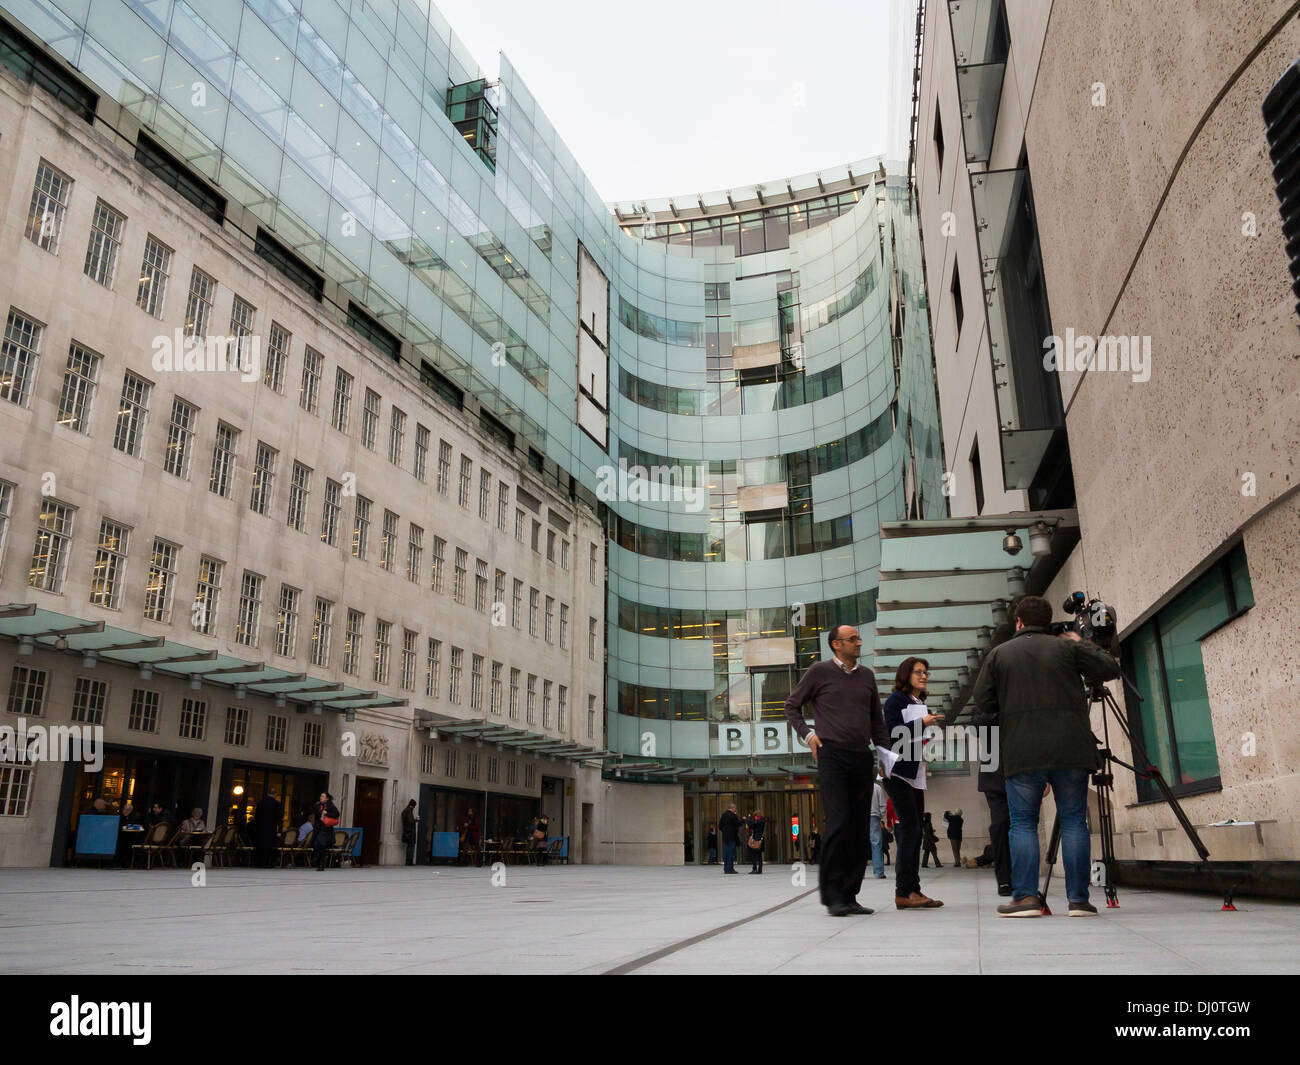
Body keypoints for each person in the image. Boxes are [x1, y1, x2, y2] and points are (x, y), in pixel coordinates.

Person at [971, 594, 1121, 918]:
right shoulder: (1067, 647)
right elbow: (1109, 668)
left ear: (1019, 622)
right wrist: (1080, 641)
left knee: (1022, 823)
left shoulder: (999, 654)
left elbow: (982, 703)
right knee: (1073, 821)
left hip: (1023, 753)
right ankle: (1079, 900)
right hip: (1071, 750)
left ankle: (1025, 897)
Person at [784, 622, 892, 917]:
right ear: (836, 644)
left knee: (859, 828)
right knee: (839, 822)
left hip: (861, 757)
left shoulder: (867, 676)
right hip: (831, 755)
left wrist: (884, 754)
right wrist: (808, 734)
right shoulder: (819, 672)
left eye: (858, 638)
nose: (859, 643)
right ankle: (832, 895)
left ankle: (850, 894)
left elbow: (876, 721)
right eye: (853, 639)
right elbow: (791, 706)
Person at [882, 656, 944, 909]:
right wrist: (922, 723)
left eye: (926, 672)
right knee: (910, 830)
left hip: (914, 772)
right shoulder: (897, 700)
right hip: (897, 773)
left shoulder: (919, 702)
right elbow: (893, 733)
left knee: (915, 830)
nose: (923, 676)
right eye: (918, 672)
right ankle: (904, 891)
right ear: (906, 675)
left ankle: (913, 890)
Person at [972, 696, 1012, 895]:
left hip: (1023, 771)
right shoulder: (985, 699)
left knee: (1022, 826)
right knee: (1000, 825)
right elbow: (979, 725)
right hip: (994, 776)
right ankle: (1004, 880)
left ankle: (1022, 877)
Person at [252, 789, 283, 868]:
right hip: (271, 828)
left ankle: (259, 863)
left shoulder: (261, 803)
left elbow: (256, 816)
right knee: (270, 846)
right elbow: (279, 817)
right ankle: (268, 863)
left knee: (260, 845)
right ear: (275, 794)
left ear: (267, 793)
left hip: (261, 828)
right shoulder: (276, 804)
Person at [313, 792, 340, 871]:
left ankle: (321, 864)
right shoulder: (318, 805)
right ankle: (318, 862)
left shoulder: (331, 805)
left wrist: (327, 813)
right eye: (321, 796)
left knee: (321, 844)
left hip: (326, 829)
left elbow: (336, 814)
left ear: (327, 798)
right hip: (319, 828)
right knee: (317, 844)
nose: (321, 797)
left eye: (323, 796)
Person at [869, 775, 887, 878]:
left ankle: (857, 873)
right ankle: (879, 872)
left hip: (860, 817)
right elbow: (882, 804)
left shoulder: (857, 786)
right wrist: (881, 816)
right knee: (876, 844)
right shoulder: (877, 787)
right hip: (874, 816)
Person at [718, 804, 742, 874]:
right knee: (731, 853)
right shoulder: (733, 815)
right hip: (732, 837)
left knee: (726, 853)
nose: (736, 809)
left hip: (725, 837)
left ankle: (726, 869)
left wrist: (725, 831)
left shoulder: (723, 815)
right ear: (732, 808)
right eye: (735, 808)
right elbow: (738, 824)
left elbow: (720, 826)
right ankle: (730, 869)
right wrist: (743, 820)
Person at [746, 809, 765, 874]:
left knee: (753, 854)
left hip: (756, 839)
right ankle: (759, 869)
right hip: (760, 840)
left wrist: (748, 819)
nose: (754, 817)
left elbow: (751, 825)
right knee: (759, 855)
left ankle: (754, 869)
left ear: (756, 815)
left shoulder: (759, 821)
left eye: (755, 816)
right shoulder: (762, 821)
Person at [401, 799, 419, 866]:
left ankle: (408, 861)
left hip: (407, 832)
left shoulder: (405, 811)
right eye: (414, 806)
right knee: (411, 847)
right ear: (412, 805)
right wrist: (416, 820)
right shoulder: (408, 811)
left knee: (409, 847)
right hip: (410, 832)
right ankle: (409, 862)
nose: (414, 808)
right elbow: (410, 821)